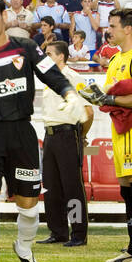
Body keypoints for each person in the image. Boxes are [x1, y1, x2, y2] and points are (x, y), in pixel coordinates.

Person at [0, 0, 79, 262]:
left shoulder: (26, 48)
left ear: (4, 16)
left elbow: (52, 75)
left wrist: (70, 95)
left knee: (28, 209)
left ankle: (24, 248)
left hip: (22, 133)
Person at [80, 8, 132, 262]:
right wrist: (96, 96)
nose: (108, 31)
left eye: (112, 26)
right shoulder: (114, 60)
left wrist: (109, 99)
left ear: (127, 28)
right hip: (120, 127)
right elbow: (109, 94)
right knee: (127, 191)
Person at [38, 40, 92, 247]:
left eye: (49, 53)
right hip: (50, 134)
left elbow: (88, 112)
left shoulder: (74, 78)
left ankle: (78, 233)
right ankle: (58, 231)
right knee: (51, 186)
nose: (45, 57)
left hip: (68, 133)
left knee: (72, 186)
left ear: (61, 56)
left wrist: (80, 134)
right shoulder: (47, 78)